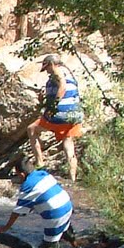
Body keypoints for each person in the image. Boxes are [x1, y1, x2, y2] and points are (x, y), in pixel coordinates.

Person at [29, 54, 84, 182]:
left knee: (31, 129)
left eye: (47, 68)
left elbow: (62, 86)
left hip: (60, 113)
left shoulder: (58, 71)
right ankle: (72, 179)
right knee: (68, 142)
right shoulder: (70, 73)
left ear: (52, 64)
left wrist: (52, 105)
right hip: (74, 115)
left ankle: (40, 164)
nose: (47, 71)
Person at [0, 168, 74, 248]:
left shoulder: (27, 186)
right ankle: (75, 244)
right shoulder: (42, 174)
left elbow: (17, 212)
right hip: (66, 205)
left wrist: (6, 227)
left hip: (55, 215)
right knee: (65, 229)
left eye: (17, 175)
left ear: (22, 174)